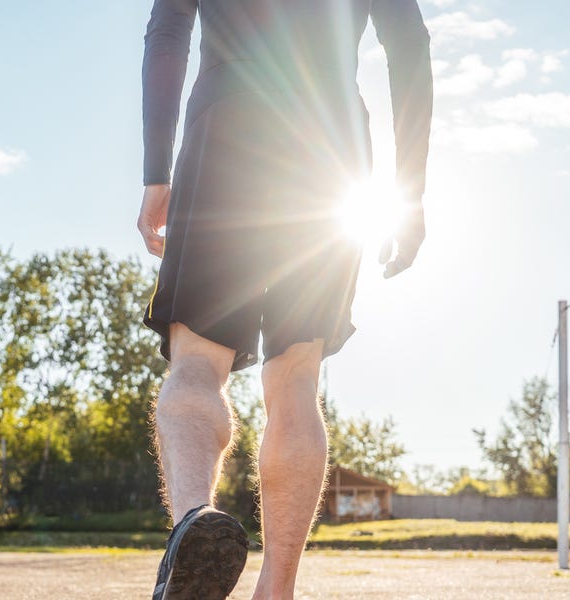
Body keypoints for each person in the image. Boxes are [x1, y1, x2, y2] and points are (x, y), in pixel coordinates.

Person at [136, 1, 433, 598]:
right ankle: (277, 589)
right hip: (330, 141)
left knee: (196, 361)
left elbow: (167, 34)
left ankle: (194, 525)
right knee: (296, 378)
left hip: (228, 117)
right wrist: (410, 192)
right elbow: (409, 44)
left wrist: (156, 173)